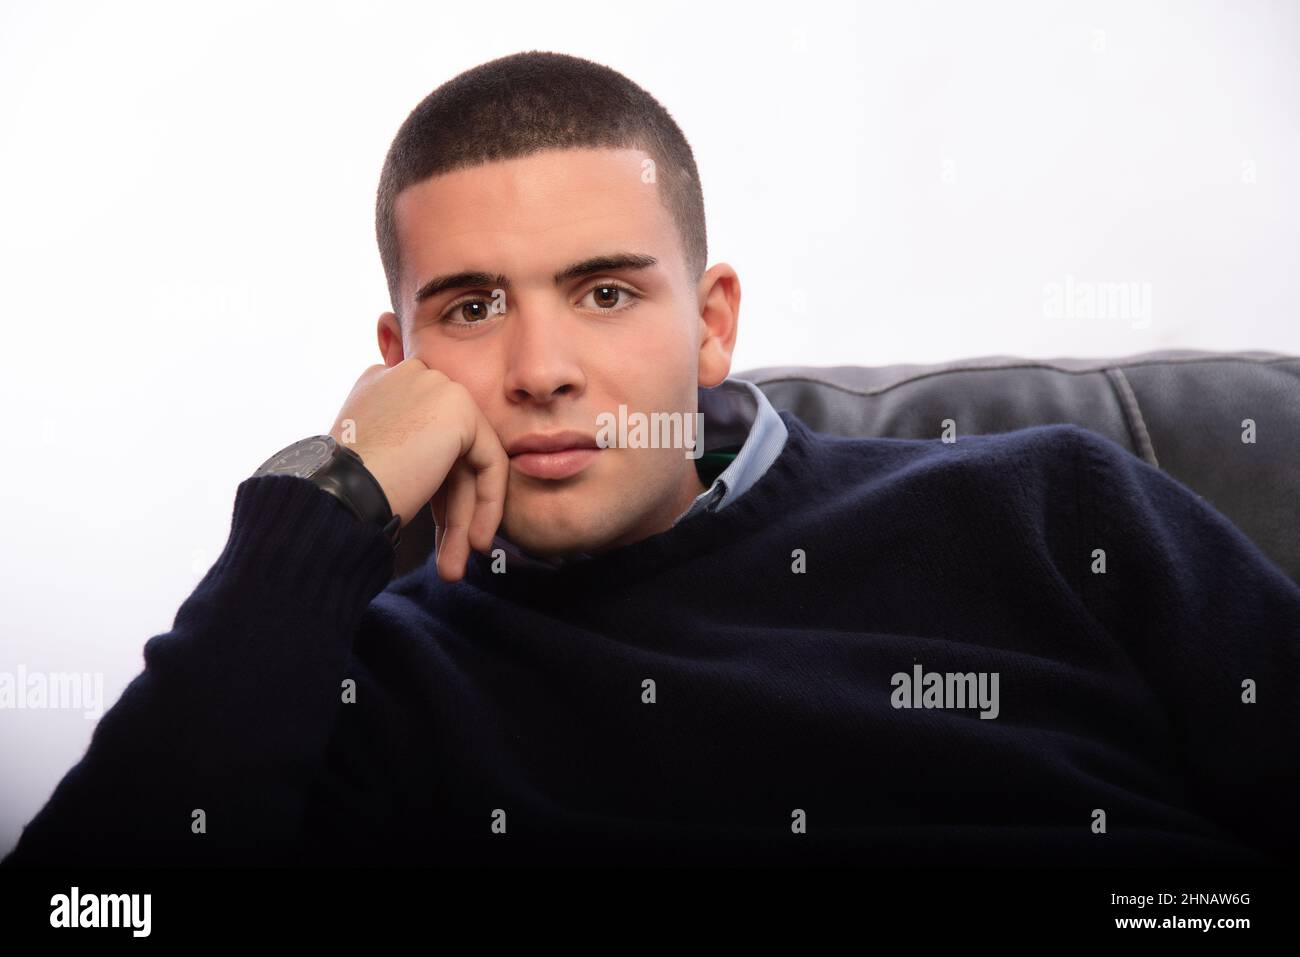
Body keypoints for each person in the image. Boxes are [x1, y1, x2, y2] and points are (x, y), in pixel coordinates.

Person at [5, 50, 1298, 869]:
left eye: (606, 293)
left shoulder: (1043, 505)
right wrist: (328, 497)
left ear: (713, 321)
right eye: (471, 309)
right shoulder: (378, 679)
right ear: (399, 360)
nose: (542, 367)